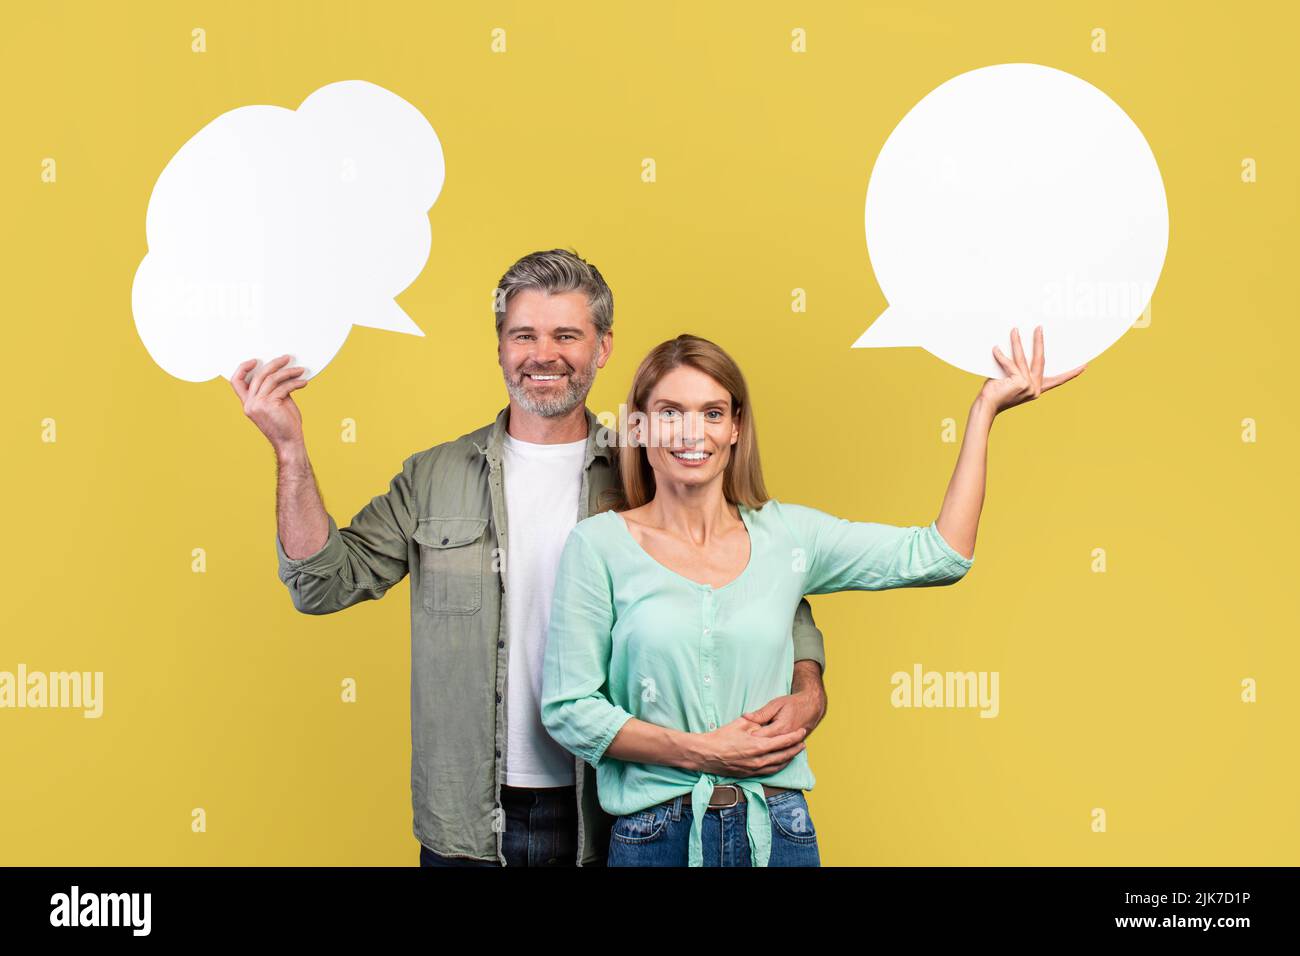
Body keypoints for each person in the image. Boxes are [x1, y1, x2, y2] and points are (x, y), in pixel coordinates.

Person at [229, 249, 831, 866]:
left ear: (602, 349)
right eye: (524, 335)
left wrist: (807, 687)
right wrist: (289, 449)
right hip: (466, 821)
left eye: (566, 334)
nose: (544, 354)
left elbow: (762, 582)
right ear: (500, 348)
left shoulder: (649, 465)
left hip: (612, 817)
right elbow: (321, 585)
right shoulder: (434, 476)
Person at [541, 329, 1085, 866]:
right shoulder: (599, 546)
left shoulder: (790, 538)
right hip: (655, 837)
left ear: (735, 428)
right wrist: (702, 750)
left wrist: (984, 410)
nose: (692, 432)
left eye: (712, 413)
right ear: (638, 426)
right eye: (670, 412)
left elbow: (941, 555)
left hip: (778, 831)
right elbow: (569, 710)